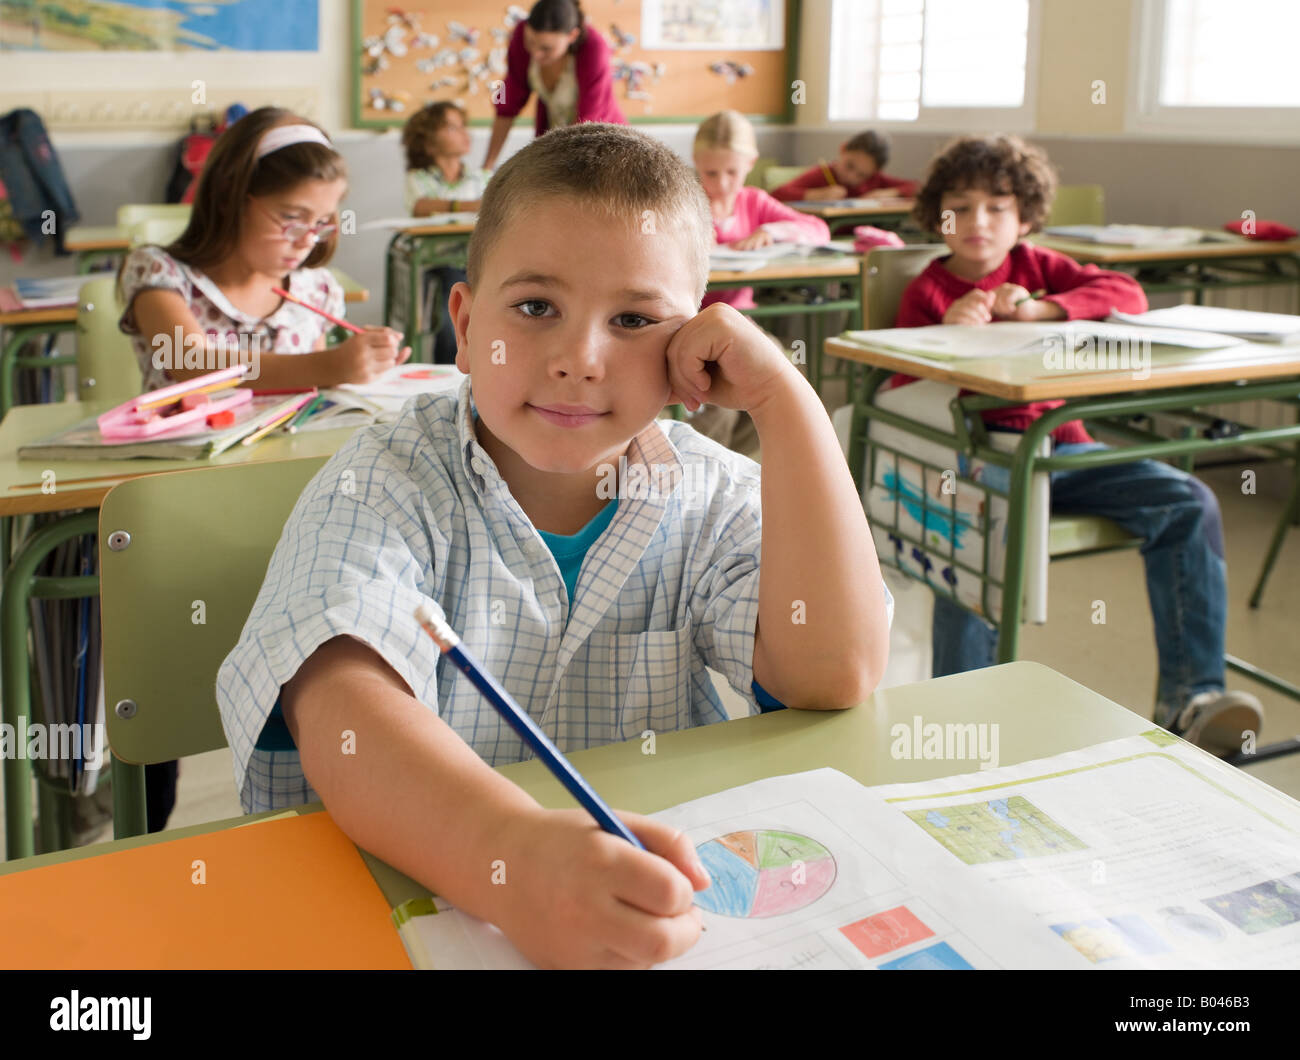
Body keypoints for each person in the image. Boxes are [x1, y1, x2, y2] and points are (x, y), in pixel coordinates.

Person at [216, 122, 893, 969]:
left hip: (654, 915)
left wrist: (784, 401)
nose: (579, 358)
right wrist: (512, 862)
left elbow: (834, 671)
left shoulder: (711, 491)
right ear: (463, 326)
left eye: (636, 318)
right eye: (536, 308)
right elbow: (343, 715)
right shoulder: (386, 479)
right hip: (406, 913)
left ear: (695, 354)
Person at [894, 133, 1263, 755]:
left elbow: (1127, 295)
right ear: (939, 215)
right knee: (978, 546)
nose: (978, 222)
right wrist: (941, 334)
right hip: (975, 456)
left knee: (1189, 502)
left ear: (1026, 218)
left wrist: (1044, 310)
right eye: (961, 206)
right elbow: (901, 391)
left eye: (998, 207)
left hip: (1060, 452)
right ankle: (959, 718)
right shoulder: (927, 291)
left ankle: (1192, 698)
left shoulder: (1041, 269)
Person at [119, 106, 408, 393]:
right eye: (291, 217)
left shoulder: (314, 289)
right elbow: (189, 362)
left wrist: (363, 362)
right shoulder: (159, 273)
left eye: (321, 222)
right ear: (228, 197)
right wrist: (328, 366)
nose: (307, 240)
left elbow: (314, 394)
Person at [693, 110, 830, 452]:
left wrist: (770, 230)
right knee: (719, 385)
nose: (722, 183)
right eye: (710, 172)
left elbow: (817, 229)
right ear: (696, 163)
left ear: (750, 163)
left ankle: (737, 459)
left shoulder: (753, 201)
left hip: (741, 320)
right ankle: (701, 467)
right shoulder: (685, 200)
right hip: (690, 321)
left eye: (732, 172)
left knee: (788, 374)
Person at [483, 0, 625, 171]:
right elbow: (507, 103)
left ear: (572, 36)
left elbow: (587, 123)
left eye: (546, 48)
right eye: (530, 43)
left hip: (600, 145)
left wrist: (556, 172)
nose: (535, 54)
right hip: (556, 142)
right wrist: (487, 167)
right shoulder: (521, 35)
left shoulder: (594, 48)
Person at [402, 101, 489, 362]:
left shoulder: (480, 178)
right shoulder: (418, 178)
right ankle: (451, 370)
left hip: (480, 262)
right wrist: (469, 206)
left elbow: (492, 207)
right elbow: (422, 207)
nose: (465, 134)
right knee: (451, 311)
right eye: (453, 127)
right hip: (439, 264)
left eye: (464, 126)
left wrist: (447, 207)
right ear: (428, 141)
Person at [771, 130, 918, 203]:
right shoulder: (822, 174)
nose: (852, 177)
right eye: (849, 166)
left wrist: (890, 193)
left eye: (862, 175)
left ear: (875, 172)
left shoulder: (875, 180)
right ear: (843, 150)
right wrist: (818, 195)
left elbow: (917, 188)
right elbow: (776, 195)